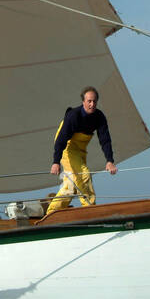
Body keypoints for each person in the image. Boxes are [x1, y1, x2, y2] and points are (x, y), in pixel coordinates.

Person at [45, 87, 117, 216]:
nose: (92, 104)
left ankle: (52, 213)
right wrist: (56, 161)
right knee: (84, 174)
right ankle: (90, 209)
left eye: (94, 101)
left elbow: (105, 140)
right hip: (67, 147)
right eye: (89, 101)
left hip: (80, 149)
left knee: (72, 184)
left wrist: (110, 161)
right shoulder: (73, 116)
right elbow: (61, 140)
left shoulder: (99, 116)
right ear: (83, 102)